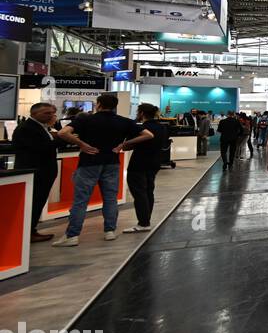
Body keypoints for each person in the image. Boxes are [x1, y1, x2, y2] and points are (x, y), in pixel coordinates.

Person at [52, 92, 154, 247]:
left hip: (89, 163)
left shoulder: (86, 120)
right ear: (115, 106)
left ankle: (72, 235)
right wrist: (123, 145)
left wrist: (82, 144)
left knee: (81, 200)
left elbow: (63, 132)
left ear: (98, 104)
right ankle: (109, 231)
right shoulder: (124, 121)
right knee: (110, 198)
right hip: (112, 163)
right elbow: (148, 135)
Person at [11, 101, 60, 242]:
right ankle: (27, 233)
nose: (50, 116)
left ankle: (31, 230)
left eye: (52, 113)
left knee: (38, 202)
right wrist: (62, 139)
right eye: (46, 113)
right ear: (34, 114)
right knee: (32, 203)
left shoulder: (41, 127)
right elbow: (41, 148)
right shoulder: (27, 128)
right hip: (35, 172)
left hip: (43, 172)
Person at [123, 103, 169, 233]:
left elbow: (127, 146)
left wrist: (126, 143)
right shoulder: (162, 128)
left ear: (142, 113)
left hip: (139, 163)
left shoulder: (140, 128)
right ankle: (146, 220)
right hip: (154, 163)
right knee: (149, 190)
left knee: (139, 193)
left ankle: (143, 223)